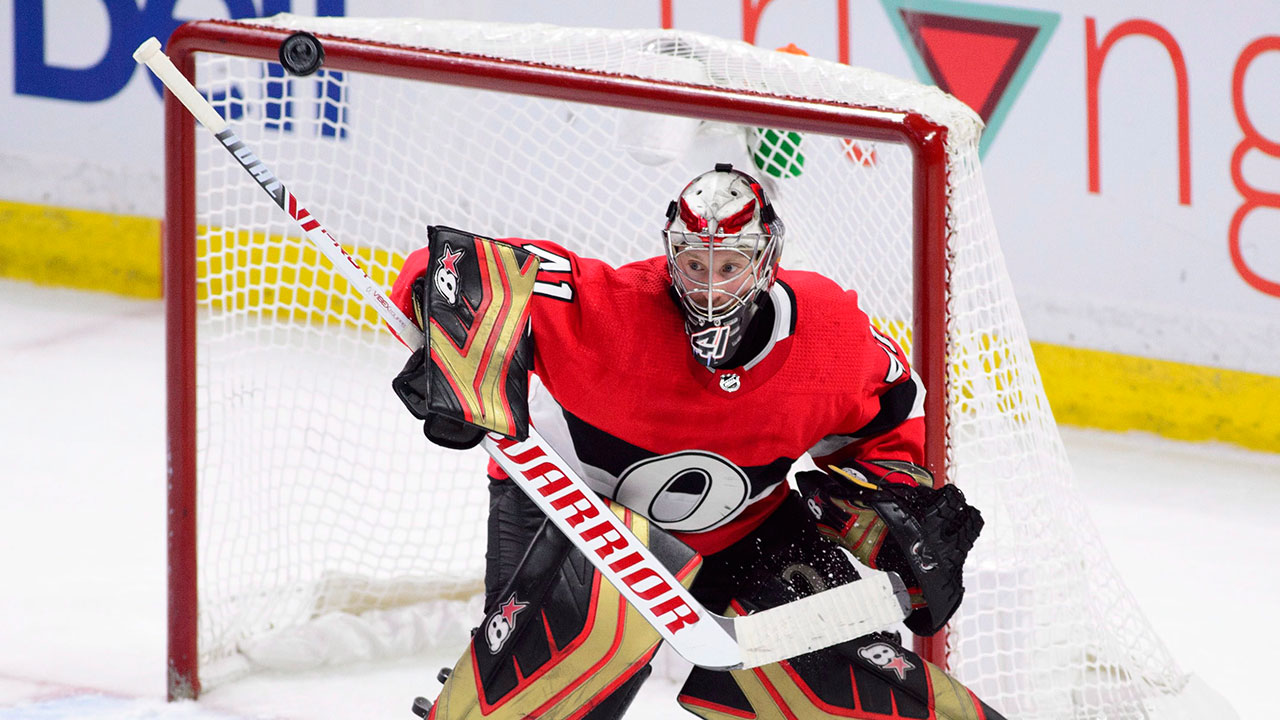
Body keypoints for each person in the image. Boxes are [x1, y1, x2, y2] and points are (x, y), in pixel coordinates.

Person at [390, 164, 998, 719]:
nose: (710, 288)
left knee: (853, 687)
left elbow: (894, 420)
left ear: (766, 260)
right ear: (670, 254)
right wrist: (456, 346)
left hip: (743, 535)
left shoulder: (829, 336)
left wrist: (902, 497)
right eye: (695, 264)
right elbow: (448, 268)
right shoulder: (614, 309)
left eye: (730, 266)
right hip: (576, 520)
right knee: (565, 654)